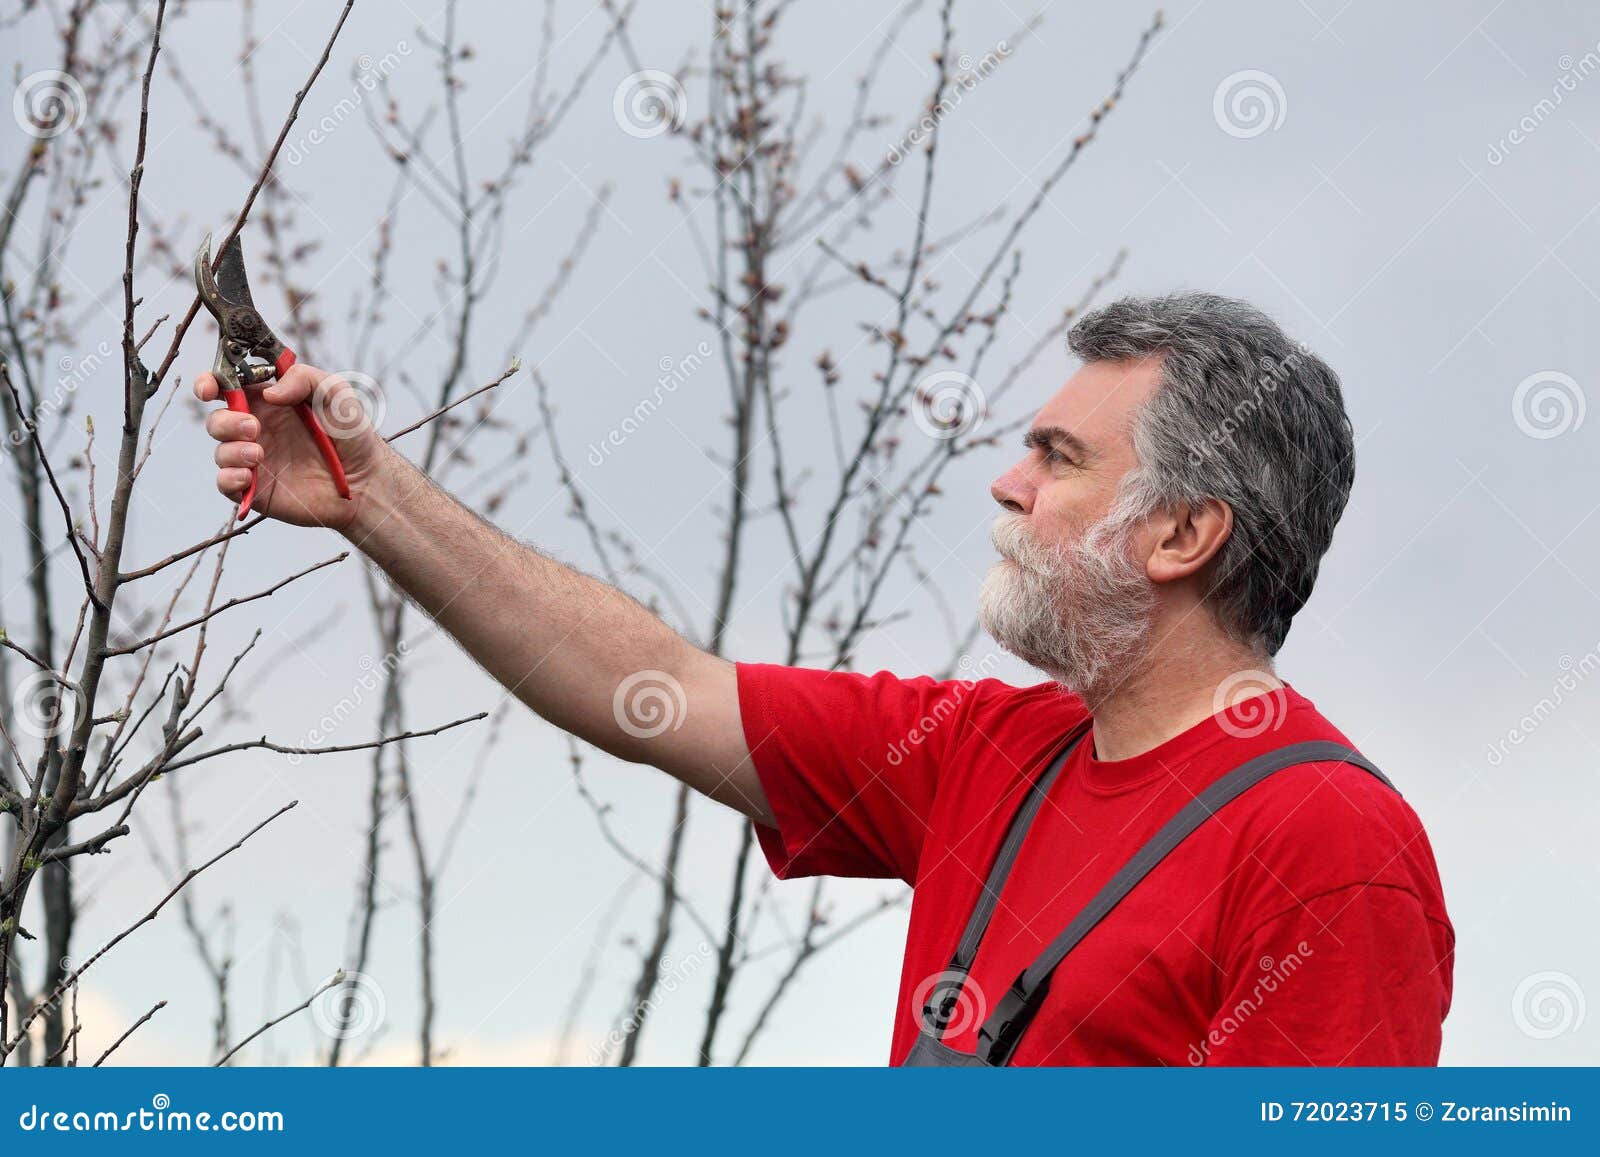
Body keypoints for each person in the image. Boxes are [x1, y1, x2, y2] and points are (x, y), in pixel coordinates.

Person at [196, 291, 1453, 1066]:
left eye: (1058, 458)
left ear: (1183, 533)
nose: (1007, 483)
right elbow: (652, 687)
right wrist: (368, 492)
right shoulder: (980, 751)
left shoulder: (1326, 841)